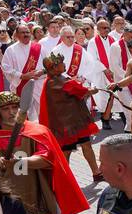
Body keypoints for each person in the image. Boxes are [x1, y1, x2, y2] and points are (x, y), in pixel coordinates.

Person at [0, 91, 88, 214]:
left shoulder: (38, 132)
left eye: (15, 107)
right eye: (6, 109)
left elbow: (47, 159)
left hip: (37, 196)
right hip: (1, 202)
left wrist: (20, 162)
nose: (12, 113)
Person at [38, 52, 101, 180]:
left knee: (76, 148)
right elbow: (83, 91)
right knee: (72, 149)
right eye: (61, 63)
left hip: (69, 122)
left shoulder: (51, 81)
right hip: (70, 124)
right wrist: (94, 90)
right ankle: (66, 179)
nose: (64, 64)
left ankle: (89, 173)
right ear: (54, 68)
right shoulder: (61, 82)